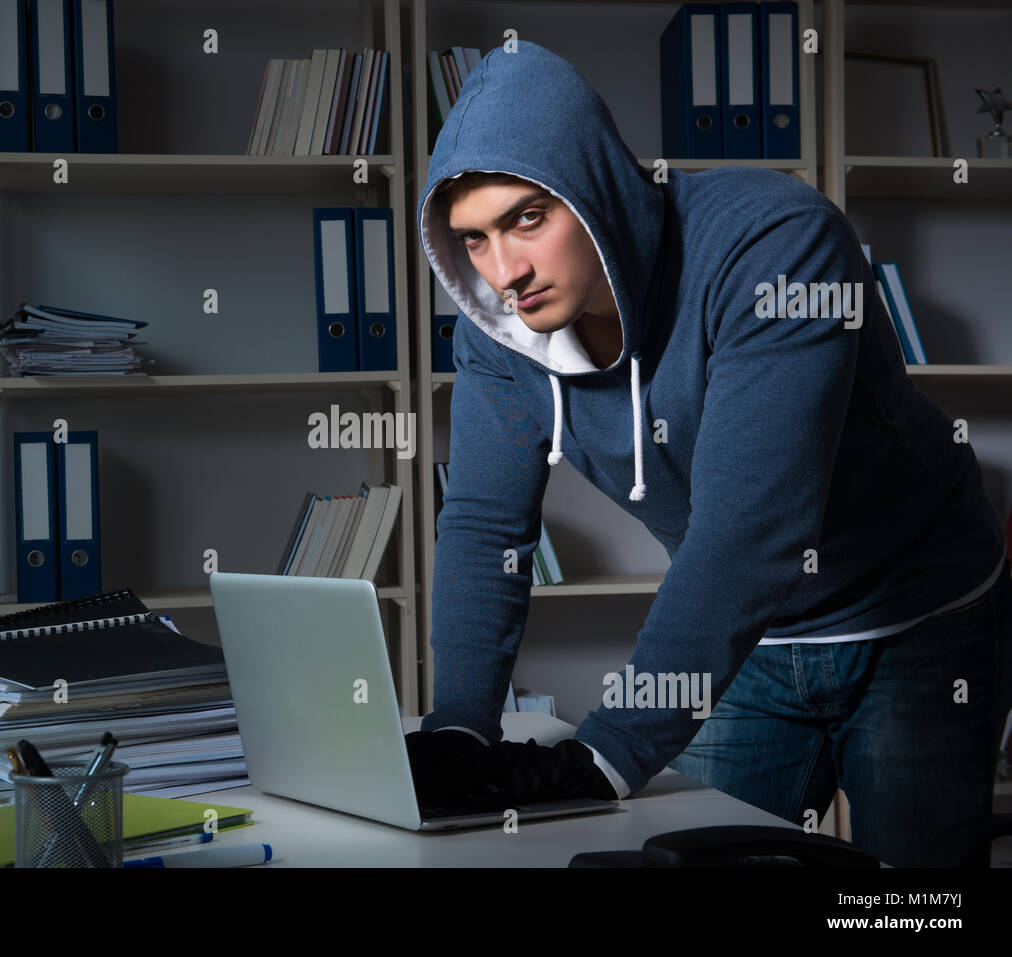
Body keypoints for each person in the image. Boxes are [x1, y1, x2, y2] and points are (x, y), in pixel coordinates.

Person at [405, 41, 1012, 867]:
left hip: (917, 616)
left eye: (526, 218)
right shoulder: (498, 328)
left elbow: (751, 528)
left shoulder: (776, 244)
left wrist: (603, 752)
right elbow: (483, 526)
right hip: (752, 638)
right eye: (472, 239)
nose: (504, 271)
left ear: (597, 188)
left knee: (910, 908)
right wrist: (458, 726)